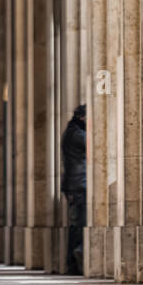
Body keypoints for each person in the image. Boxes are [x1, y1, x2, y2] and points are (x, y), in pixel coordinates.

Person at [61, 104, 87, 275]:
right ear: (82, 117)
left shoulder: (71, 131)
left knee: (76, 224)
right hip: (78, 185)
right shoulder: (77, 134)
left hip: (74, 184)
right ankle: (74, 259)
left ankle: (73, 260)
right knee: (78, 225)